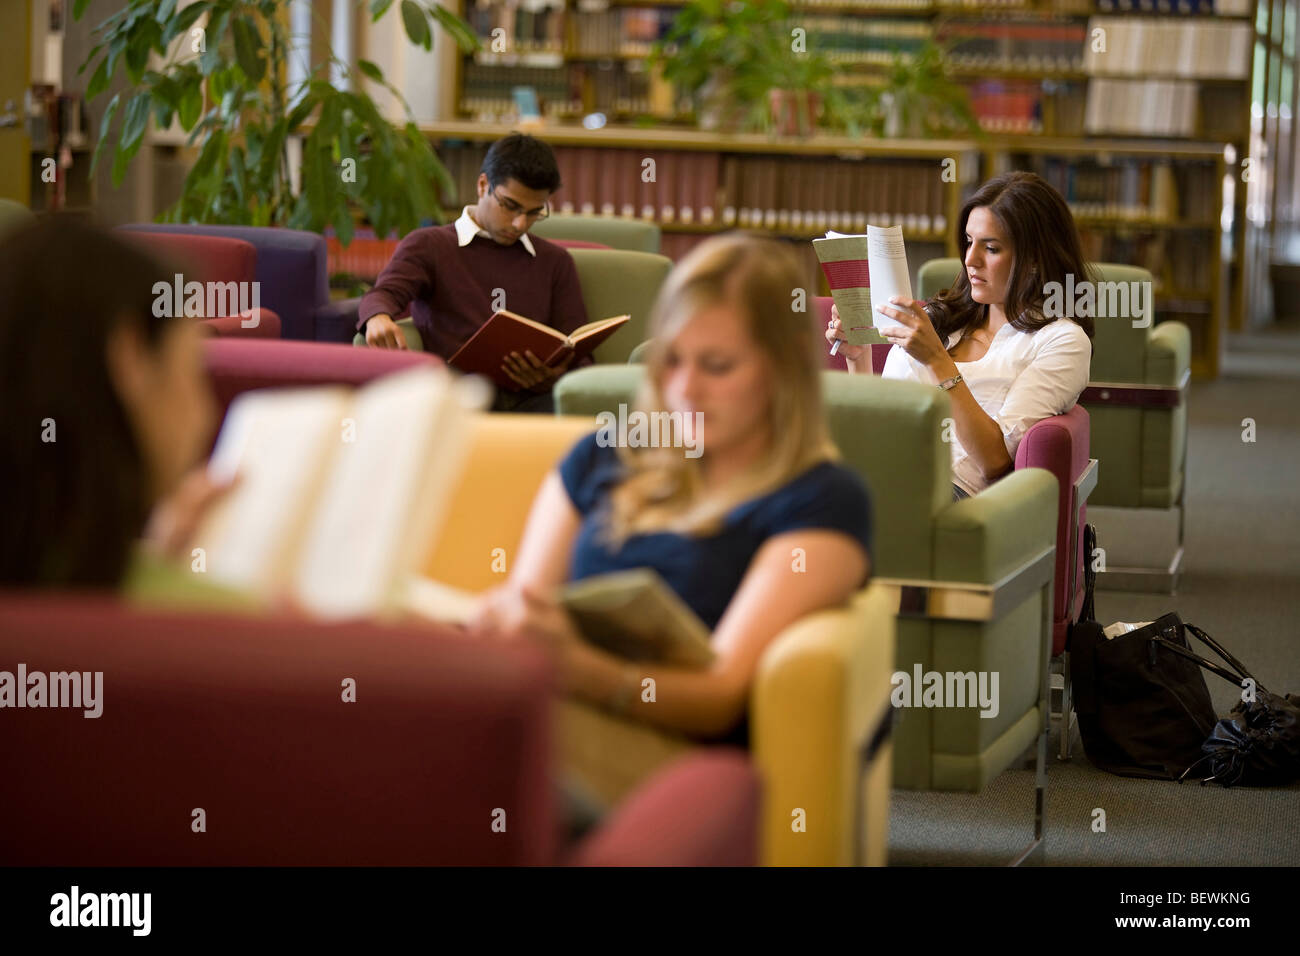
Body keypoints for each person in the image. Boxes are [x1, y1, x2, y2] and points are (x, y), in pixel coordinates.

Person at [467, 234, 875, 812]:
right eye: (673, 360)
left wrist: (580, 668)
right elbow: (526, 605)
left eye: (717, 365)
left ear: (780, 373)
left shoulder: (822, 500)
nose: (685, 388)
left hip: (681, 769)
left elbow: (720, 698)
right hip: (554, 727)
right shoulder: (601, 457)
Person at [0, 215, 238, 605]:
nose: (207, 413)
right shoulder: (225, 623)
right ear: (131, 361)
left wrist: (150, 555)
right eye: (191, 372)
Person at [826, 171, 1095, 500]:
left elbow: (995, 461)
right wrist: (859, 357)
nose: (970, 260)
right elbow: (878, 422)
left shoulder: (1060, 341)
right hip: (877, 467)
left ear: (1035, 259)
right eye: (969, 242)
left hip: (942, 489)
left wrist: (937, 360)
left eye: (991, 248)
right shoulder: (941, 317)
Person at [357, 132, 589, 413]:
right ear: (482, 185)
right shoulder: (430, 245)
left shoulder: (555, 261)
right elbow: (383, 294)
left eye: (533, 212)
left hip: (536, 401)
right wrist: (377, 317)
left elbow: (580, 353)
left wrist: (554, 377)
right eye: (510, 206)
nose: (519, 223)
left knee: (582, 413)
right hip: (463, 397)